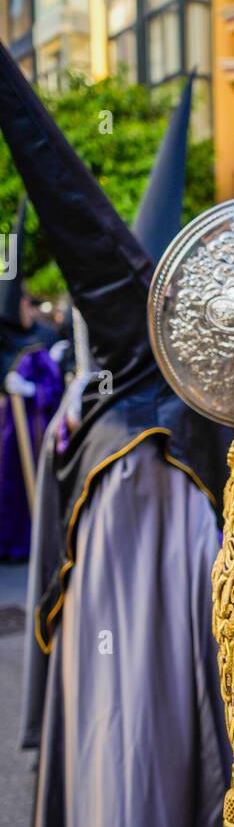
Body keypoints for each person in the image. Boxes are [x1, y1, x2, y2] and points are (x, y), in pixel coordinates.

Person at [0, 50, 234, 827]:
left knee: (137, 812)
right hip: (158, 713)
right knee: (139, 810)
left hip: (169, 703)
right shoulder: (144, 447)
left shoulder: (143, 423)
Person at [0, 199, 63, 560]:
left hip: (27, 434)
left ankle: (22, 544)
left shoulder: (38, 343)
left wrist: (31, 390)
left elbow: (53, 389)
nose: (28, 310)